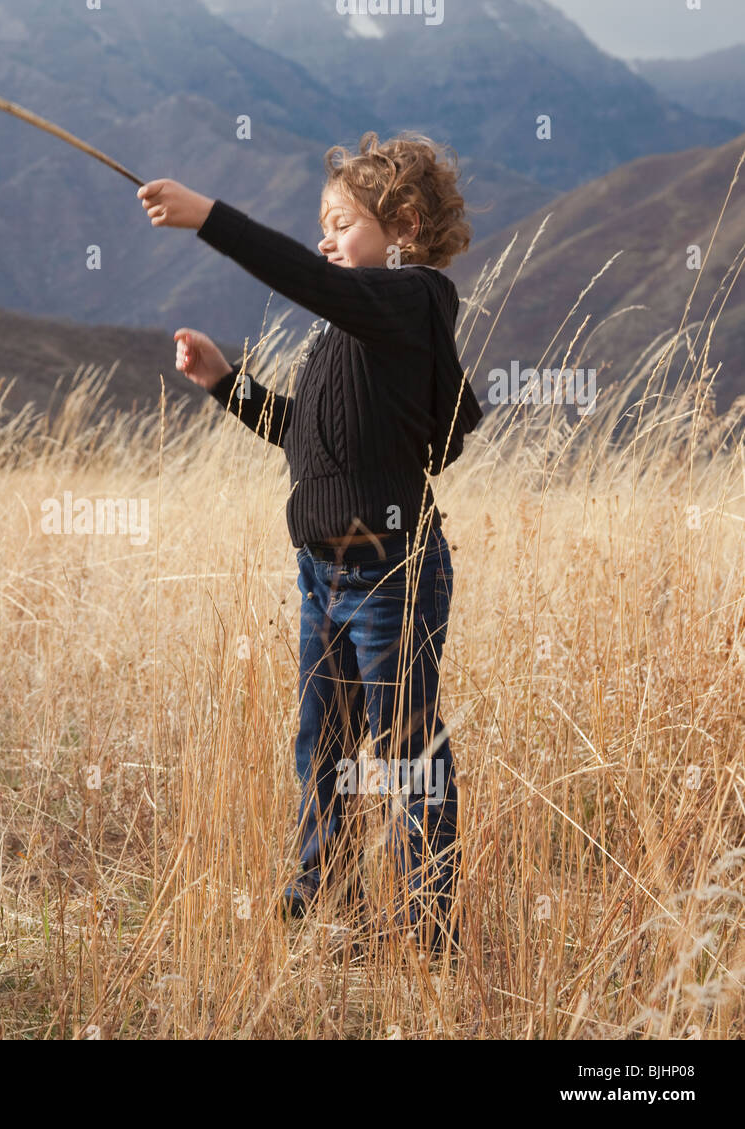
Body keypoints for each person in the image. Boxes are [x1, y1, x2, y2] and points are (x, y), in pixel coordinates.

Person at [137, 132, 482, 954]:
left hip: (393, 575)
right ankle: (322, 882)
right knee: (320, 741)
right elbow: (304, 440)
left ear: (400, 224)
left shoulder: (408, 301)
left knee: (404, 752)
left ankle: (430, 926)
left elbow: (308, 276)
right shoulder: (345, 337)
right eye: (321, 225)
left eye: (339, 222)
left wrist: (207, 218)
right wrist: (228, 383)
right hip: (321, 574)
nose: (326, 240)